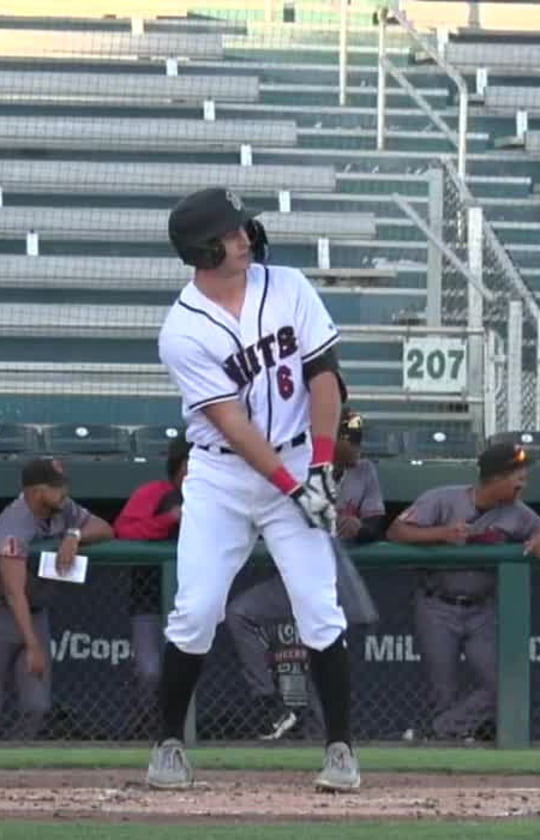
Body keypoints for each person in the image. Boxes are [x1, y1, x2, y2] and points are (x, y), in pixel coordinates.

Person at [147, 186, 359, 792]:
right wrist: (296, 484)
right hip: (222, 477)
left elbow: (324, 378)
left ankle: (341, 749)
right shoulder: (182, 330)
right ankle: (167, 745)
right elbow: (234, 427)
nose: (246, 236)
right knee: (197, 611)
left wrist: (318, 468)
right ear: (201, 248)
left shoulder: (287, 285)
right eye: (232, 231)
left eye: (243, 227)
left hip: (297, 459)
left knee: (320, 609)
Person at [223, 409, 385, 741]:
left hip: (339, 573)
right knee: (241, 612)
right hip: (298, 566)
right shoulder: (296, 463)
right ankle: (271, 703)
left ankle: (328, 738)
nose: (355, 446)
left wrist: (360, 526)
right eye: (348, 438)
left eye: (357, 439)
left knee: (325, 648)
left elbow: (377, 524)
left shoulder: (365, 471)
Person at [386, 443, 540, 742]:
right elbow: (396, 532)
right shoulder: (441, 499)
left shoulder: (517, 512)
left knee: (502, 685)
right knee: (442, 690)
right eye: (517, 476)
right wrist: (441, 534)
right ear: (494, 478)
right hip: (438, 604)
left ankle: (436, 733)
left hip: (481, 609)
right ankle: (446, 752)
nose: (523, 483)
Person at [0, 458, 112, 741]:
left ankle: (14, 762)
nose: (64, 492)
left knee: (37, 704)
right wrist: (32, 644)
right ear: (35, 492)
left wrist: (75, 534)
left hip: (36, 611)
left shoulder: (64, 510)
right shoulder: (12, 524)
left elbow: (106, 528)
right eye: (56, 487)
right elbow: (13, 592)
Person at [112, 438, 191, 739]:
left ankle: (177, 733)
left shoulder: (212, 501)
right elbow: (124, 531)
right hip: (148, 600)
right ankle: (144, 730)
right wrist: (167, 520)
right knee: (149, 672)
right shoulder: (154, 494)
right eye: (188, 467)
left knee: (182, 672)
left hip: (190, 602)